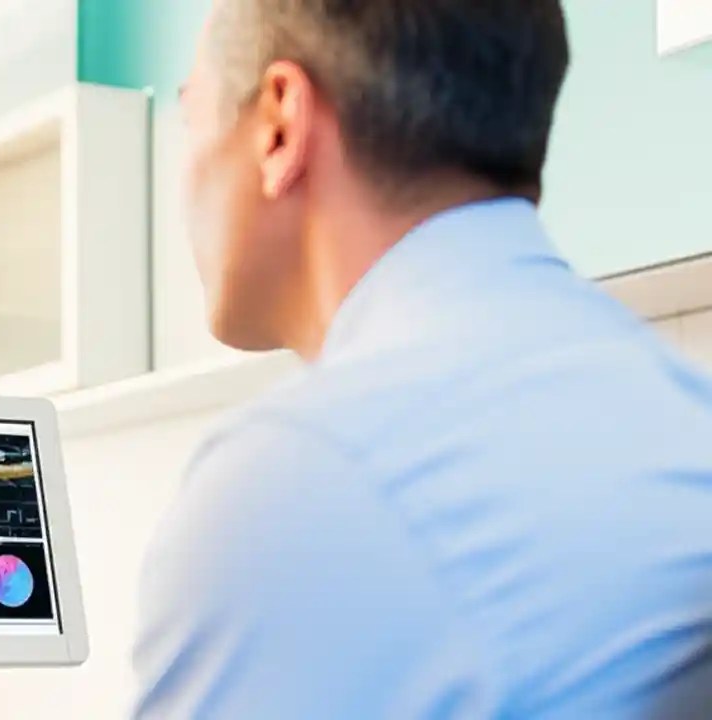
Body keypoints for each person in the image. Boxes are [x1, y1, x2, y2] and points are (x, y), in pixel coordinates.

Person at [132, 1, 712, 718]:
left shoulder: (297, 489)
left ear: (280, 124)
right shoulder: (686, 411)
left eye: (191, 114)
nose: (185, 171)